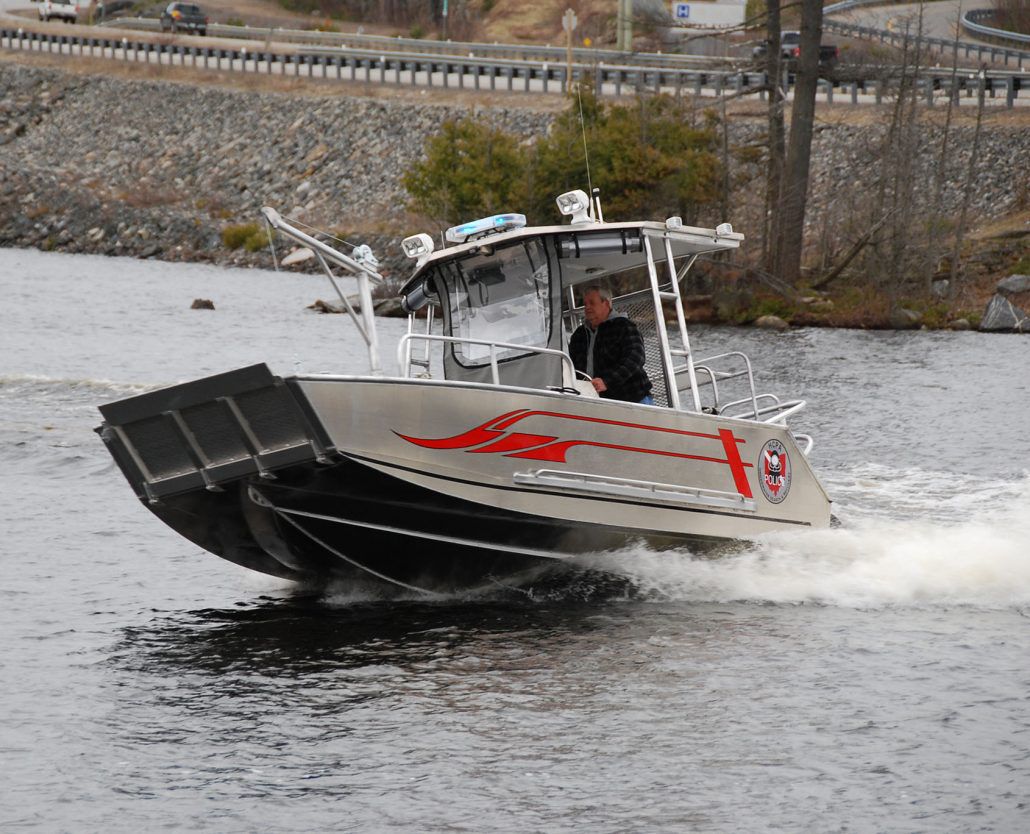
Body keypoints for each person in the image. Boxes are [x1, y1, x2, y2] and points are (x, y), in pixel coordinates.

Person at [569, 284, 653, 404]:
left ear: (607, 304)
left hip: (634, 399)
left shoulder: (624, 326)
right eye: (585, 304)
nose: (587, 307)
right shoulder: (579, 334)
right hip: (595, 402)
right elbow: (570, 364)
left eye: (592, 303)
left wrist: (607, 381)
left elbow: (636, 358)